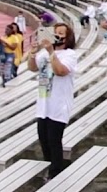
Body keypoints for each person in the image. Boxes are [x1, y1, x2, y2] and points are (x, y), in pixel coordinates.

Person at [26, 22, 79, 180]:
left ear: (67, 38)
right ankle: (49, 167)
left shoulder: (70, 55)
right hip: (44, 103)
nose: (57, 35)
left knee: (54, 140)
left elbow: (60, 71)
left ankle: (56, 173)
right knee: (43, 140)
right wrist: (33, 53)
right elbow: (32, 68)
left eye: (61, 33)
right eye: (55, 32)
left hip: (59, 104)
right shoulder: (44, 53)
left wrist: (51, 52)